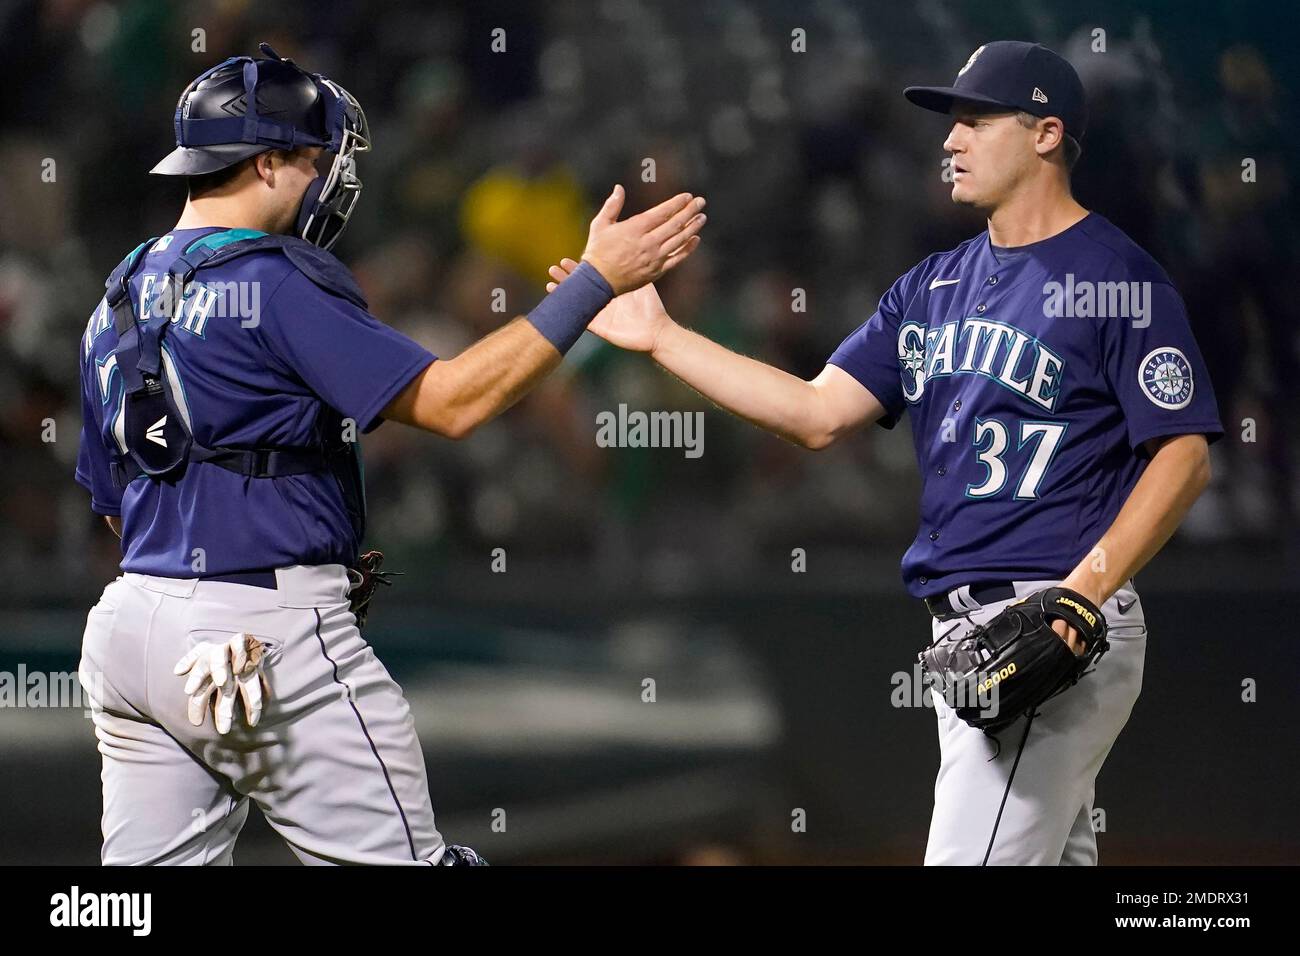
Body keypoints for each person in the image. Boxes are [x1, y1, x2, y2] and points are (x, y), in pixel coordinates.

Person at [546, 41, 1222, 865]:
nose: (951, 140)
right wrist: (660, 337)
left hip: (1055, 618)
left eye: (976, 119)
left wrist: (1080, 597)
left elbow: (1184, 455)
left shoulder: (1116, 278)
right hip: (976, 639)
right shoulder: (933, 285)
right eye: (951, 122)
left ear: (1046, 133)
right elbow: (816, 411)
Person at [74, 43, 706, 865]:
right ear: (266, 162)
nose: (329, 179)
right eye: (312, 159)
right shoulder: (274, 278)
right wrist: (593, 281)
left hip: (129, 634)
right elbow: (451, 402)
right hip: (261, 632)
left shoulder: (114, 296)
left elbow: (118, 506)